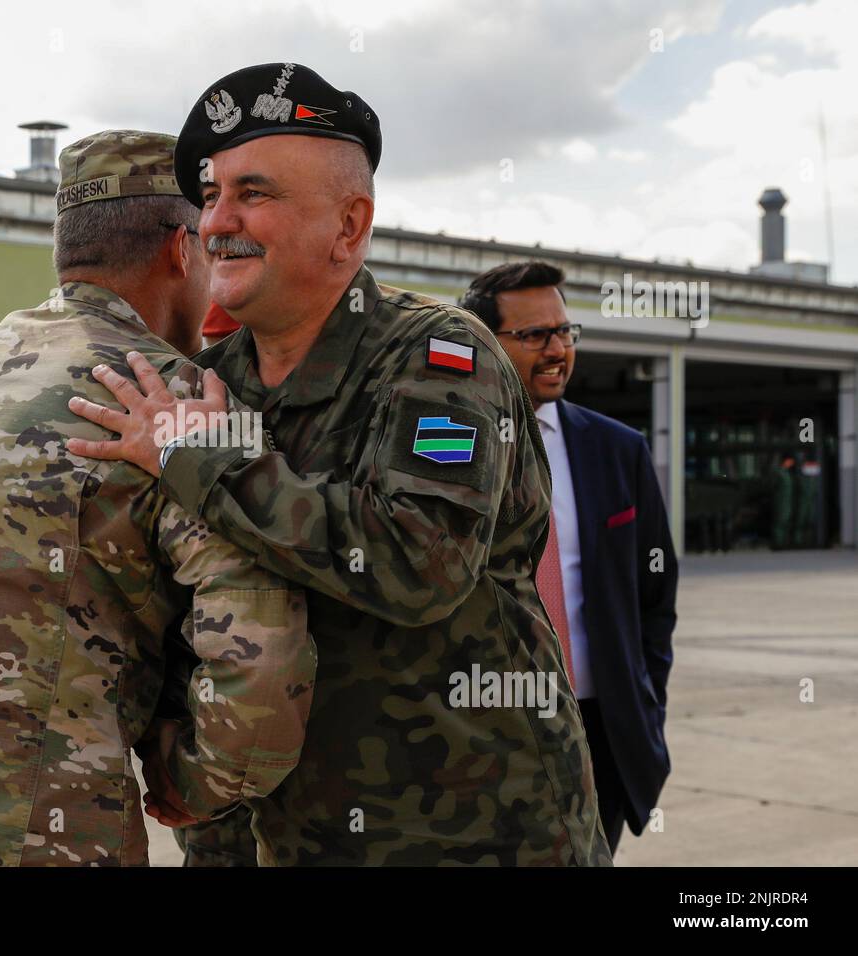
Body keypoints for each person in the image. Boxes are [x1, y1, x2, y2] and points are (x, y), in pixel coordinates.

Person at [68, 63, 610, 866]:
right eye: (211, 195)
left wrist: (206, 460)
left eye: (254, 193)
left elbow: (417, 559)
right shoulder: (210, 381)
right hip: (261, 834)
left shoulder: (441, 357)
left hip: (464, 832)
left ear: (349, 226)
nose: (218, 221)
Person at [0, 131, 316, 867]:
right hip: (39, 829)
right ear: (180, 252)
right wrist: (200, 783)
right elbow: (258, 662)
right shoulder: (181, 404)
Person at [459, 260, 678, 853]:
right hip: (488, 726)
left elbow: (656, 595)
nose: (557, 349)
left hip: (601, 726)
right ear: (486, 340)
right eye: (535, 335)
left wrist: (644, 699)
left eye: (564, 331)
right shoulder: (452, 443)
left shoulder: (618, 449)